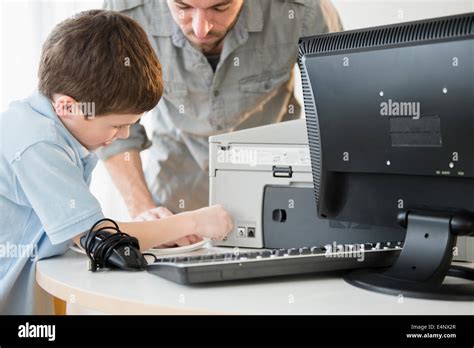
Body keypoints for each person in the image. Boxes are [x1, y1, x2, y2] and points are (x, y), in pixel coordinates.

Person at [0, 9, 232, 315]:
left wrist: (152, 233)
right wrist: (194, 221)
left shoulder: (50, 127)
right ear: (68, 107)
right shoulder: (37, 144)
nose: (123, 135)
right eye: (116, 125)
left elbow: (78, 230)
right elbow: (95, 237)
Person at [100, 0, 343, 241]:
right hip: (174, 195)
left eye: (220, 8)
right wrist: (144, 211)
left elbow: (339, 112)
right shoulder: (124, 12)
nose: (200, 29)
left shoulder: (306, 10)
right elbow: (111, 123)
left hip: (277, 196)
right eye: (183, 7)